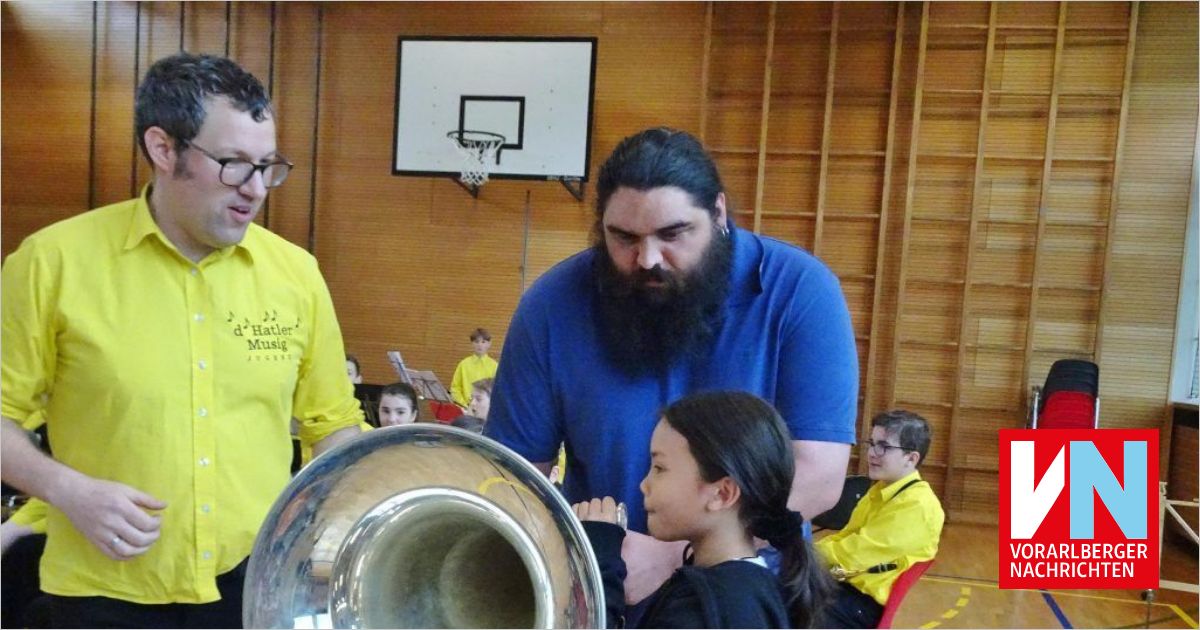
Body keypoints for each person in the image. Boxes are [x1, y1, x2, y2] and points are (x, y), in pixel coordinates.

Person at [0, 52, 363, 628]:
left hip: (251, 587)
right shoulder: (51, 264)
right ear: (164, 150)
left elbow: (333, 425)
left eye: (269, 165)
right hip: (101, 594)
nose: (257, 188)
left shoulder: (297, 274)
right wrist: (67, 490)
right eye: (234, 163)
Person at [485, 127, 858, 602]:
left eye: (673, 234)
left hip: (744, 594)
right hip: (600, 587)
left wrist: (675, 556)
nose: (648, 259)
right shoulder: (551, 305)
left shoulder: (802, 292)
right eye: (623, 238)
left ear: (718, 213)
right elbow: (515, 476)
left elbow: (818, 477)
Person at [573, 391, 833, 628]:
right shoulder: (736, 588)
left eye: (660, 468)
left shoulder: (713, 604)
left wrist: (598, 564)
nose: (644, 485)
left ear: (722, 493)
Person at [813, 410, 944, 628]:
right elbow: (846, 537)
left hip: (858, 607)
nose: (872, 453)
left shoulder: (917, 506)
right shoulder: (879, 491)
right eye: (871, 443)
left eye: (883, 446)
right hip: (843, 590)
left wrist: (800, 555)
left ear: (911, 458)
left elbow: (852, 555)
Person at [449, 328, 498, 408]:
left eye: (483, 342)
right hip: (465, 408)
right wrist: (464, 405)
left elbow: (497, 391)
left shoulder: (495, 366)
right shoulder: (463, 364)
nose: (480, 345)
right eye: (476, 342)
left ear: (489, 344)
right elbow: (455, 388)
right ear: (472, 343)